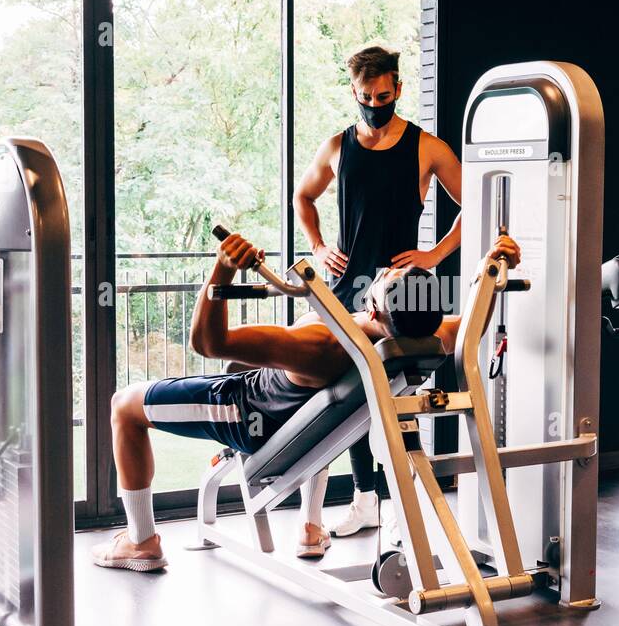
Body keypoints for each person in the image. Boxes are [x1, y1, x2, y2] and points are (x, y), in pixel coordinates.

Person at [92, 230, 521, 572]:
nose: (381, 274)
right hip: (296, 413)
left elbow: (208, 342)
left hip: (244, 410)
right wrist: (491, 271)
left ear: (373, 309)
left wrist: (221, 271)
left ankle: (142, 541)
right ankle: (311, 527)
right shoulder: (427, 338)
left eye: (384, 280)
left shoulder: (324, 343)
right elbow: (472, 322)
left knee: (124, 405)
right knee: (321, 413)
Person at [293, 44, 464, 538]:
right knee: (348, 396)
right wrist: (320, 245)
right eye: (365, 96)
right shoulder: (337, 146)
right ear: (354, 92)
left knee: (394, 397)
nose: (374, 104)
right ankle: (364, 500)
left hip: (398, 294)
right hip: (346, 288)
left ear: (398, 89)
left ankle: (395, 506)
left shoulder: (427, 147)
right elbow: (303, 197)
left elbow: (475, 199)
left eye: (383, 95)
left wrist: (433, 255)